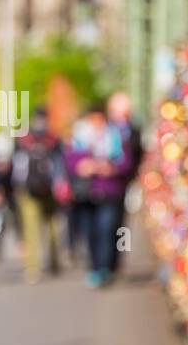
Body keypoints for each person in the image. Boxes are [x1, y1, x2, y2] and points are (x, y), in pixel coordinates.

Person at [65, 104, 133, 288]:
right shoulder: (80, 139)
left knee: (108, 230)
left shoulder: (117, 137)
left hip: (110, 191)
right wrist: (84, 166)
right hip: (87, 194)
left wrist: (110, 168)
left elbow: (126, 163)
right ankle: (95, 267)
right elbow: (70, 161)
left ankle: (106, 268)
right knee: (91, 233)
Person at [10, 107, 66, 283]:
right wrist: (60, 182)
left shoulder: (22, 139)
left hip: (27, 189)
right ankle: (53, 261)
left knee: (31, 228)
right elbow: (59, 164)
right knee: (51, 227)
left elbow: (15, 164)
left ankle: (33, 267)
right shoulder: (53, 138)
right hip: (45, 189)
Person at [107, 91, 144, 273]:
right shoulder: (106, 130)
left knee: (120, 224)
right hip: (105, 185)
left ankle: (116, 261)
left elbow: (138, 155)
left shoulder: (134, 130)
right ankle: (105, 261)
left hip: (124, 183)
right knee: (106, 224)